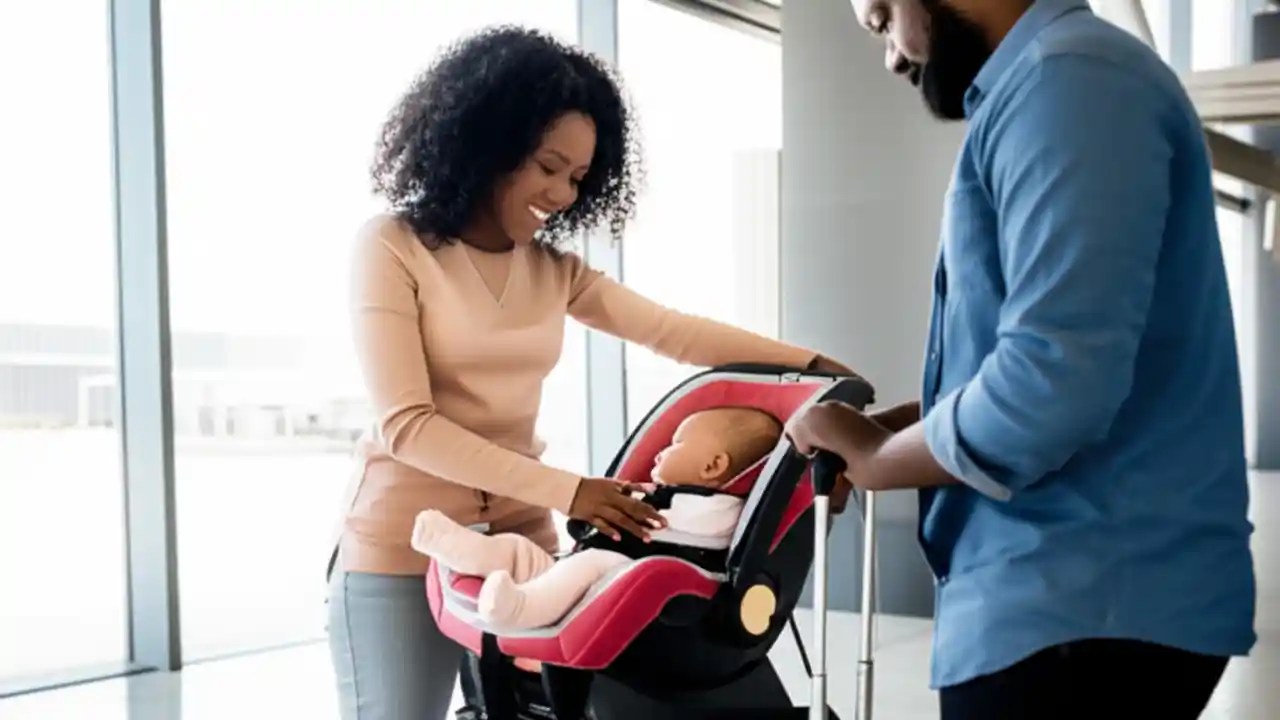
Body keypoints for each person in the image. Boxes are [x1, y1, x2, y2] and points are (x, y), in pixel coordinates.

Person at [326, 26, 857, 720]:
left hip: (521, 539)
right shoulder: (393, 247)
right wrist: (572, 491)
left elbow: (677, 332)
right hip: (401, 543)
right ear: (491, 143)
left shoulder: (555, 272)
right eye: (548, 166)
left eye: (578, 178)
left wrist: (813, 367)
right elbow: (408, 426)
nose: (563, 193)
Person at [787, 1, 1257, 718]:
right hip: (1080, 607)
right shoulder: (1056, 85)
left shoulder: (1071, 82)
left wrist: (883, 460)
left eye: (884, 18)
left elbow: (1050, 385)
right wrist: (888, 434)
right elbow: (1058, 360)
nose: (893, 56)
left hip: (1081, 609)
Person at [409, 406, 781, 630]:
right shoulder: (669, 495)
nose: (659, 454)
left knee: (588, 563)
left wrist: (642, 501)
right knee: (522, 551)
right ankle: (462, 550)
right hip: (587, 575)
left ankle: (518, 609)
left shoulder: (719, 507)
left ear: (713, 465)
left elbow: (697, 533)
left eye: (674, 445)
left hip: (625, 579)